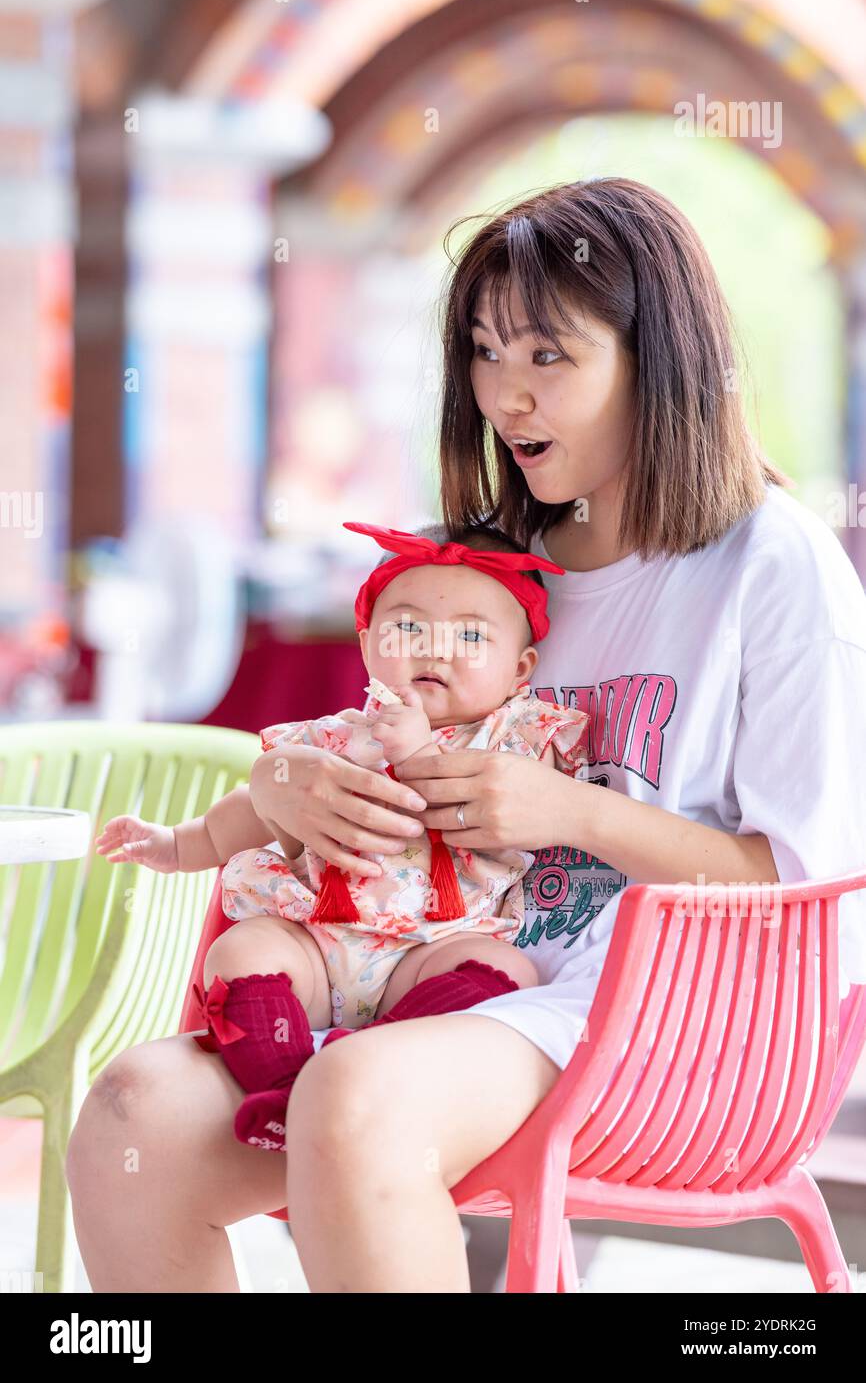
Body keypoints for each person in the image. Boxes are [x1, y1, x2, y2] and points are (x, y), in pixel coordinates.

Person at [66, 177, 866, 1293]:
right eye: (485, 352)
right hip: (427, 981)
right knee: (129, 1114)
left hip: (680, 1025)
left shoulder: (771, 568)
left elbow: (802, 881)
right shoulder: (492, 572)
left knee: (357, 1097)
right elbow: (373, 739)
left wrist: (569, 812)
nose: (504, 394)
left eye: (547, 356)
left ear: (659, 361)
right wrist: (296, 780)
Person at [93, 521, 590, 1153]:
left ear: (520, 671)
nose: (435, 650)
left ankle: (366, 1061)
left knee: (505, 970)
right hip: (316, 941)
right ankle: (280, 1088)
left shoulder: (517, 744)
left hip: (431, 948)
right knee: (241, 952)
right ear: (365, 644)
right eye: (407, 628)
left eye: (470, 635)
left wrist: (414, 752)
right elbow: (255, 810)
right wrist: (175, 844)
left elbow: (470, 813)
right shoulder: (330, 741)